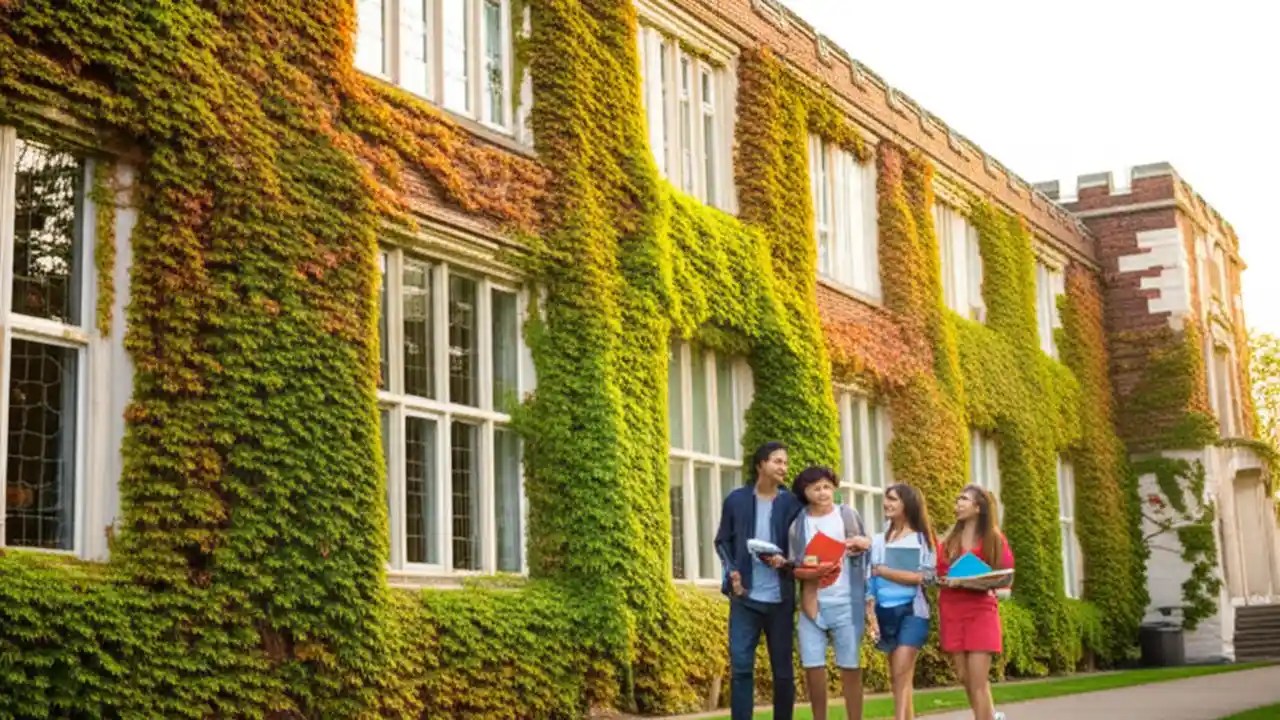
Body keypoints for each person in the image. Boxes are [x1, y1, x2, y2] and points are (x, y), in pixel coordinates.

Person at [714, 441, 803, 720]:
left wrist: (786, 563)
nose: (783, 468)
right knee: (741, 667)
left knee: (783, 671)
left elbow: (803, 547)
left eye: (785, 463)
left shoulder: (792, 504)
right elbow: (722, 542)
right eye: (777, 461)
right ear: (760, 464)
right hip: (745, 599)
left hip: (780, 600)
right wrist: (731, 571)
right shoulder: (736, 500)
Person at [786, 466, 872, 720]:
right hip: (813, 604)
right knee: (813, 667)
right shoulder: (798, 525)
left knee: (851, 667)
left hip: (846, 601)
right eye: (816, 488)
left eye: (826, 487)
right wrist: (810, 572)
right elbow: (793, 567)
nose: (822, 493)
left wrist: (862, 544)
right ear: (805, 493)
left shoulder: (847, 515)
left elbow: (868, 546)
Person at [937, 484, 1015, 720]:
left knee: (979, 680)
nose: (958, 503)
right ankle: (991, 717)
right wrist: (947, 580)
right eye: (957, 499)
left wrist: (975, 582)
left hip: (981, 611)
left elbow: (1006, 580)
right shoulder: (949, 541)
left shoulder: (994, 539)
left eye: (964, 499)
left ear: (978, 507)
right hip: (952, 610)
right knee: (965, 678)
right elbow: (940, 573)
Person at [865, 484, 937, 720]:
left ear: (908, 504)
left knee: (900, 672)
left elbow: (923, 577)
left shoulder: (921, 539)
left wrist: (883, 571)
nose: (887, 503)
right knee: (900, 679)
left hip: (912, 612)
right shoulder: (878, 540)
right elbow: (870, 581)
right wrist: (872, 616)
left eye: (893, 499)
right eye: (886, 499)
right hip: (885, 612)